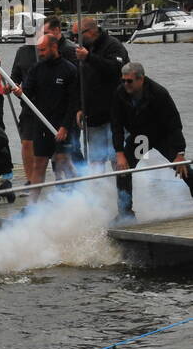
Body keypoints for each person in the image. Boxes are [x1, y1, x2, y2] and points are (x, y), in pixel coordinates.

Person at [111, 61, 192, 220]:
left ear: (141, 79)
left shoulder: (159, 93)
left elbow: (174, 124)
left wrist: (179, 153)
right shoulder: (119, 93)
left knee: (182, 167)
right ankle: (125, 213)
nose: (125, 84)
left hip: (163, 135)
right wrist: (119, 152)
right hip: (141, 137)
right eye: (123, 80)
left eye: (129, 81)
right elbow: (116, 125)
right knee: (123, 170)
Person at [12, 32, 78, 195]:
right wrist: (20, 92)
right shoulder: (37, 69)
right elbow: (28, 90)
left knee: (63, 161)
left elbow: (73, 103)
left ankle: (77, 192)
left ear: (54, 47)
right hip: (41, 123)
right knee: (39, 164)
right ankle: (33, 205)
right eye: (38, 50)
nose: (40, 54)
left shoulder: (69, 70)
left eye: (42, 50)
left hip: (62, 125)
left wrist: (64, 127)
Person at [74, 17, 128, 169]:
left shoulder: (113, 46)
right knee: (96, 160)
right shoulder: (84, 49)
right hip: (93, 115)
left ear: (90, 32)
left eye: (77, 35)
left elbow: (117, 69)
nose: (75, 40)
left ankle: (123, 190)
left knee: (117, 158)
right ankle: (98, 191)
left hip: (115, 115)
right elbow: (80, 81)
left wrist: (89, 58)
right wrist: (80, 106)